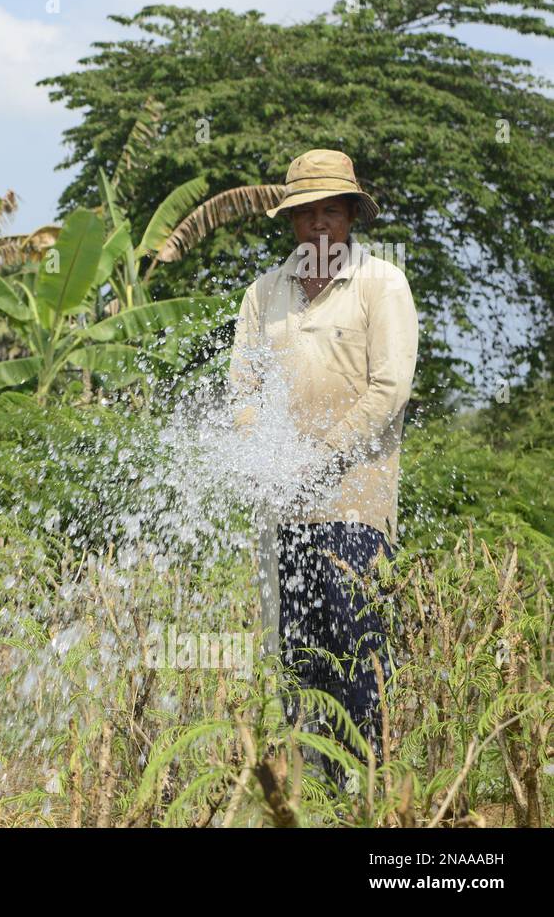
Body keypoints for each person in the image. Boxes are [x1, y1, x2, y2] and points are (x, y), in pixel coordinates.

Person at [227, 148, 419, 792]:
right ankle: (318, 797)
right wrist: (271, 460)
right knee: (301, 668)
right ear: (290, 221)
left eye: (330, 212)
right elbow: (243, 395)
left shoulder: (381, 284)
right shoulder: (264, 294)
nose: (317, 226)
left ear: (351, 218)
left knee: (360, 663)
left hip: (357, 511)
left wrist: (320, 456)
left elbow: (389, 388)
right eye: (305, 214)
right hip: (287, 515)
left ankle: (369, 797)